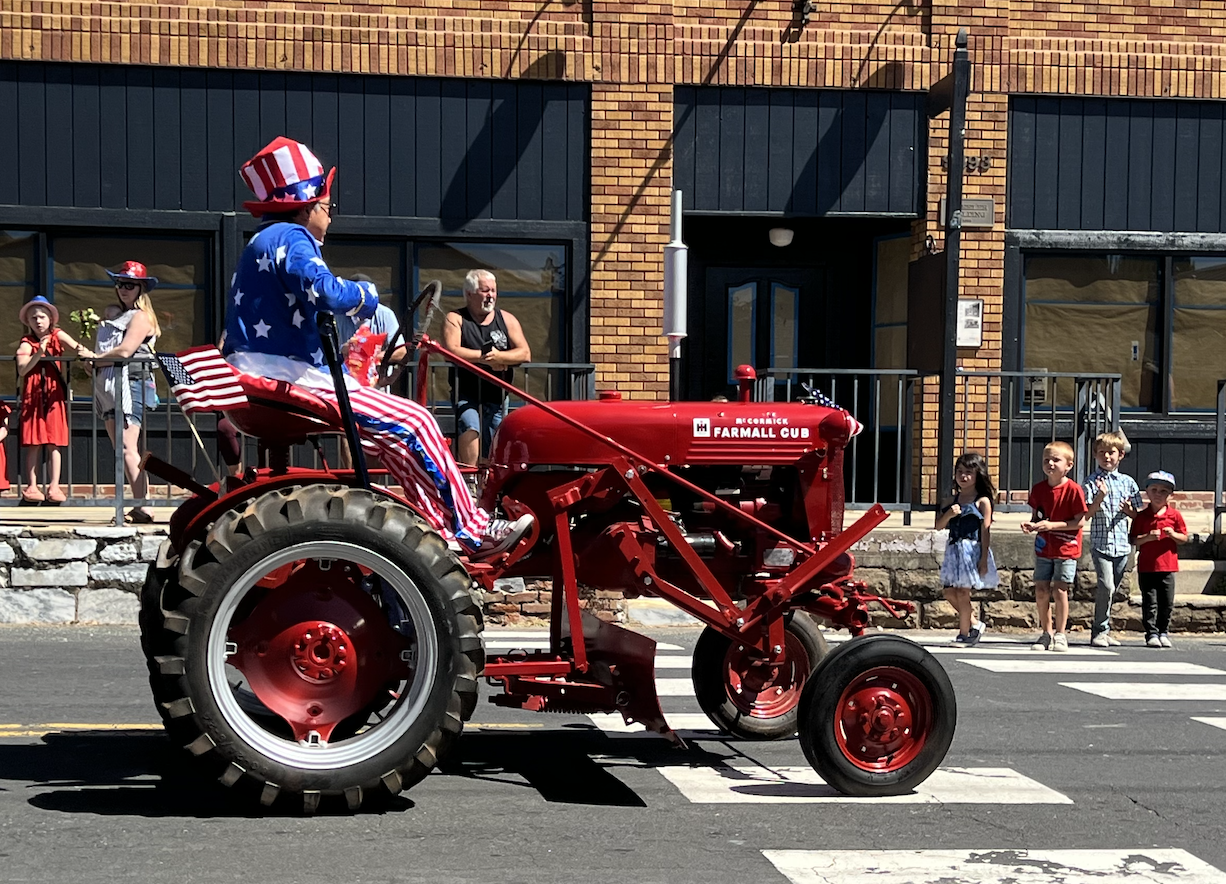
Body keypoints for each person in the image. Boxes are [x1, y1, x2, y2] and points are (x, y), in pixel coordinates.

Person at [221, 136, 531, 557]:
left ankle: (440, 529)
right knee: (418, 422)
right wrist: (367, 296)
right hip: (289, 376)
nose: (330, 216)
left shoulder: (261, 240)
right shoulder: (292, 236)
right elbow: (326, 291)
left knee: (392, 439)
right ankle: (474, 530)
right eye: (328, 206)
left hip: (268, 375)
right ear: (307, 205)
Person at [82, 261, 162, 524]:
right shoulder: (117, 316)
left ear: (141, 289)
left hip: (132, 382)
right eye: (119, 283)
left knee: (128, 447)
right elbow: (110, 352)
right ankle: (140, 503)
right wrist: (94, 362)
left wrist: (96, 359)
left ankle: (144, 506)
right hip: (110, 384)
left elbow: (126, 351)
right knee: (121, 448)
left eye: (129, 284)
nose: (123, 289)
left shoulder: (141, 316)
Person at [441, 269, 531, 467]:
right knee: (470, 426)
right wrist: (486, 358)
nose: (491, 295)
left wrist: (500, 357)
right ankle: (470, 476)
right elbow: (451, 350)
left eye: (493, 291)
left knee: (495, 437)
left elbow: (525, 353)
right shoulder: (455, 318)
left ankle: (488, 478)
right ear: (469, 294)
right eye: (485, 291)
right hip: (466, 391)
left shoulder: (506, 319)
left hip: (497, 393)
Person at [15, 295, 87, 504]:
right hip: (34, 394)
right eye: (33, 318)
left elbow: (77, 347)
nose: (38, 321)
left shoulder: (57, 335)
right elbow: (22, 369)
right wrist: (39, 352)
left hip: (54, 394)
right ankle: (32, 486)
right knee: (34, 442)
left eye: (42, 317)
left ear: (51, 319)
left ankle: (54, 486)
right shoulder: (27, 342)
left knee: (54, 442)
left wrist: (89, 357)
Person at [1021, 440, 1088, 653]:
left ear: (1068, 465)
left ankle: (1060, 633)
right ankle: (1046, 632)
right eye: (1046, 460)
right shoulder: (1038, 490)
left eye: (1056, 460)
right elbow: (1037, 516)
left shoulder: (1073, 490)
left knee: (1060, 589)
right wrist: (1032, 525)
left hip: (1066, 548)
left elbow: (1079, 522)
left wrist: (1052, 525)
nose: (1050, 463)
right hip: (1044, 547)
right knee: (1041, 589)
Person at [1082, 431, 1143, 648]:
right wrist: (1100, 497)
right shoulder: (1091, 482)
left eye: (1111, 453)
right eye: (1102, 453)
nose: (1107, 457)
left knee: (1112, 590)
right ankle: (1098, 631)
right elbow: (1086, 515)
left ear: (1120, 455)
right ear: (1095, 455)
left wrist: (1129, 511)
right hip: (1101, 544)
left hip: (1122, 545)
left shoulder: (1128, 482)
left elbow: (1139, 515)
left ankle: (1105, 629)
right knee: (1106, 586)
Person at [935, 452, 998, 646]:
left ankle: (964, 634)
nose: (963, 476)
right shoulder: (950, 501)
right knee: (949, 592)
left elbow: (985, 530)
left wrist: (983, 558)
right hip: (954, 550)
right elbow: (938, 526)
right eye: (960, 472)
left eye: (969, 472)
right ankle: (975, 623)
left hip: (971, 550)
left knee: (963, 592)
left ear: (978, 475)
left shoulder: (982, 501)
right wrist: (949, 515)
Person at [1129, 470, 1188, 648]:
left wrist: (1173, 535)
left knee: (1167, 602)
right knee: (1150, 602)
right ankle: (1151, 633)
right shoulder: (1142, 517)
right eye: (1154, 490)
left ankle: (1164, 631)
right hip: (1147, 566)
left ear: (1171, 495)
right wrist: (1147, 537)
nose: (1158, 494)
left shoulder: (1174, 515)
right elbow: (1133, 539)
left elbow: (1184, 538)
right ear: (1147, 492)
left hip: (1168, 566)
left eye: (1163, 491)